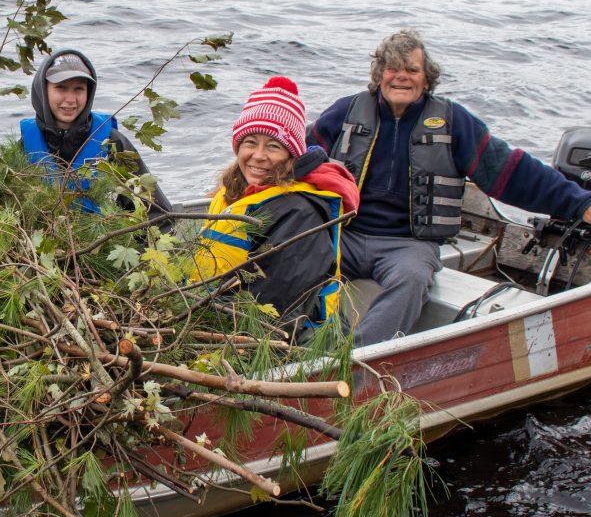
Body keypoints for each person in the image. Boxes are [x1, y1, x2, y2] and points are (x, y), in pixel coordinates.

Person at [307, 29, 591, 347]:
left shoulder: (453, 121)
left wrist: (579, 204)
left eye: (412, 69)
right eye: (393, 68)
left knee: (411, 281)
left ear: (426, 78)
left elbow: (510, 170)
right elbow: (294, 153)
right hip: (343, 234)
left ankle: (354, 364)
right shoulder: (346, 112)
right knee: (296, 255)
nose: (401, 77)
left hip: (407, 245)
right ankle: (302, 339)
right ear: (379, 74)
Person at [192, 76, 360, 336]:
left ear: (292, 156)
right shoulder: (234, 191)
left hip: (287, 343)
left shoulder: (300, 213)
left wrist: (198, 323)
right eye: (250, 143)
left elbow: (272, 310)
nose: (258, 156)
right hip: (214, 312)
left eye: (273, 146)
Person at [20, 49, 172, 217]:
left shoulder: (112, 142)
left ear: (89, 92)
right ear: (43, 90)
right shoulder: (24, 147)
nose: (70, 99)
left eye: (79, 89)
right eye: (61, 88)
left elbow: (156, 213)